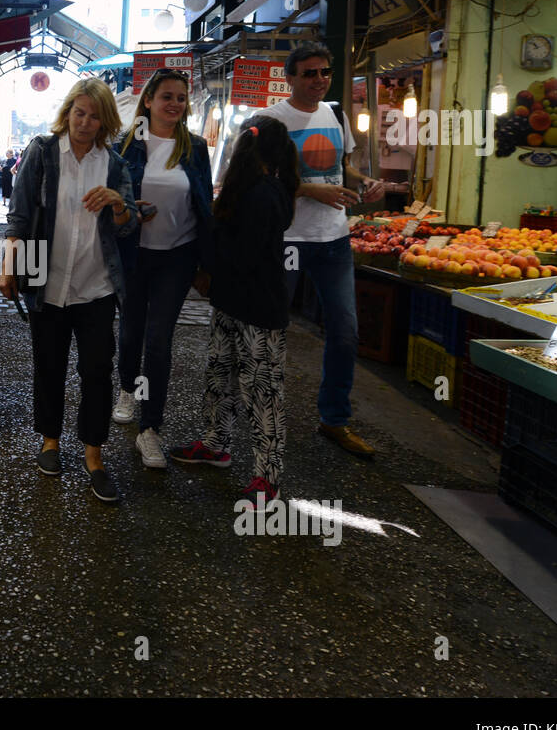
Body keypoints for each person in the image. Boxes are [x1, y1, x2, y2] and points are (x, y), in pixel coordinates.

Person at [219, 42, 385, 457]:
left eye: (325, 72)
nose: (319, 80)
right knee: (268, 331)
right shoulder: (270, 119)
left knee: (345, 334)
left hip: (334, 240)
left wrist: (362, 182)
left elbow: (340, 167)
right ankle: (248, 418)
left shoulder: (335, 114)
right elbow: (251, 177)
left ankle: (334, 420)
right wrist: (309, 189)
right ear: (290, 77)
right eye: (309, 73)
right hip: (287, 239)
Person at [0, 79, 138, 503]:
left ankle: (93, 455)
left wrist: (118, 204)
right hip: (48, 284)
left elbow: (128, 225)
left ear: (105, 121)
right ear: (67, 112)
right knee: (49, 366)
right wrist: (8, 271)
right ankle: (50, 442)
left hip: (96, 287)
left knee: (97, 371)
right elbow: (19, 218)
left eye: (94, 116)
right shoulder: (42, 153)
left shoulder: (115, 165)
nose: (85, 122)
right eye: (79, 112)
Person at [171, 117, 298, 503]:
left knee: (261, 392)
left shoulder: (262, 193)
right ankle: (216, 443)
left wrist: (207, 256)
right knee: (221, 376)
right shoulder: (252, 189)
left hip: (258, 310)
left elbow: (242, 256)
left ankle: (267, 478)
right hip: (233, 302)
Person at [112, 69, 213, 469]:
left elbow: (203, 204)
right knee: (131, 330)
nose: (174, 104)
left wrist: (208, 262)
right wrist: (131, 212)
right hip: (134, 253)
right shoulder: (128, 145)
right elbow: (115, 200)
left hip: (178, 255)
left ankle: (151, 428)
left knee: (159, 339)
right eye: (166, 97)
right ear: (149, 100)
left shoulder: (196, 148)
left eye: (180, 98)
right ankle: (126, 389)